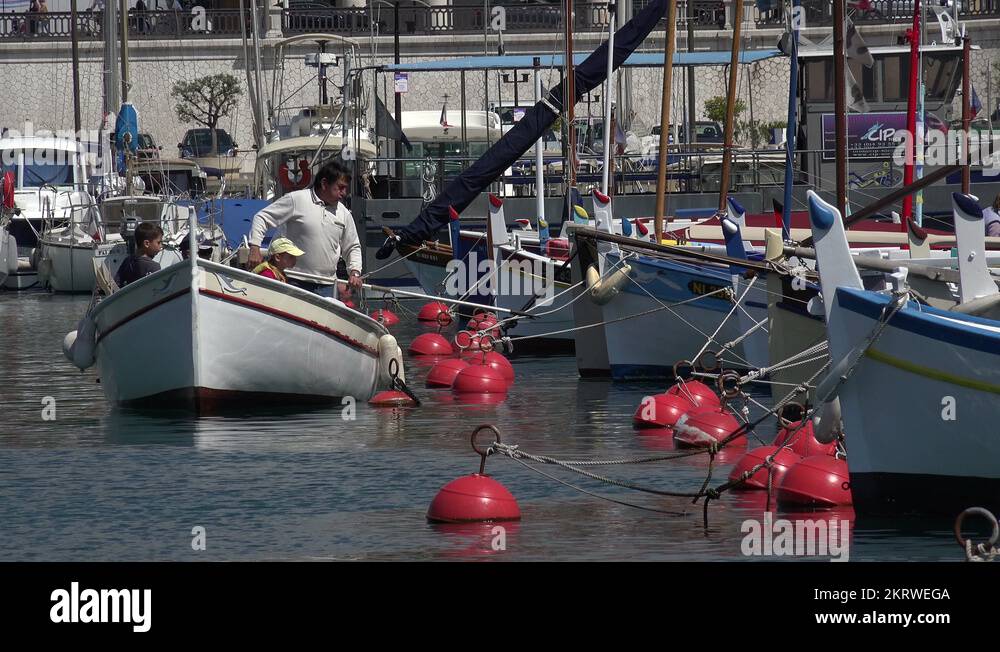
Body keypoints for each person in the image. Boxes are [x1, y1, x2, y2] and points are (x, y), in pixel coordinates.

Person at [247, 160, 363, 298]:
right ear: (324, 183)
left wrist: (355, 272)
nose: (344, 193)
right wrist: (255, 248)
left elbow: (352, 246)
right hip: (293, 281)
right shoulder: (297, 200)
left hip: (328, 286)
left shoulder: (344, 213)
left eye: (345, 188)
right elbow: (262, 217)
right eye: (340, 187)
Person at [114, 221, 163, 287]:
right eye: (158, 242)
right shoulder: (154, 267)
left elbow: (116, 283)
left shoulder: (127, 261)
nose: (161, 246)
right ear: (146, 243)